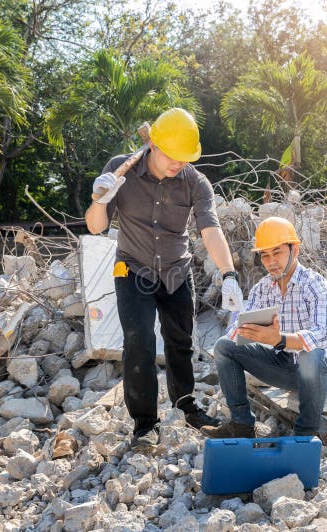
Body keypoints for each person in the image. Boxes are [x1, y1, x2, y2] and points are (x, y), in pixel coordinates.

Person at [85, 108, 244, 452]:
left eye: (185, 158)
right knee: (138, 341)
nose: (178, 164)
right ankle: (144, 423)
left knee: (180, 340)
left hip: (176, 270)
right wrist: (100, 199)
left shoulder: (195, 182)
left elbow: (210, 230)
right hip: (131, 269)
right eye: (173, 155)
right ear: (153, 144)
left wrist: (229, 273)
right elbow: (95, 226)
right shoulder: (120, 169)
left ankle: (186, 406)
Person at [202, 216, 327, 438]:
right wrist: (242, 322)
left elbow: (322, 336)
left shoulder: (315, 284)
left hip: (326, 371)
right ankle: (241, 425)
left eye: (277, 252)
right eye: (265, 255)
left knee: (311, 355)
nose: (271, 262)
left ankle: (305, 433)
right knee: (224, 347)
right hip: (286, 367)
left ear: (295, 249)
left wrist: (279, 339)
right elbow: (236, 335)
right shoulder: (263, 289)